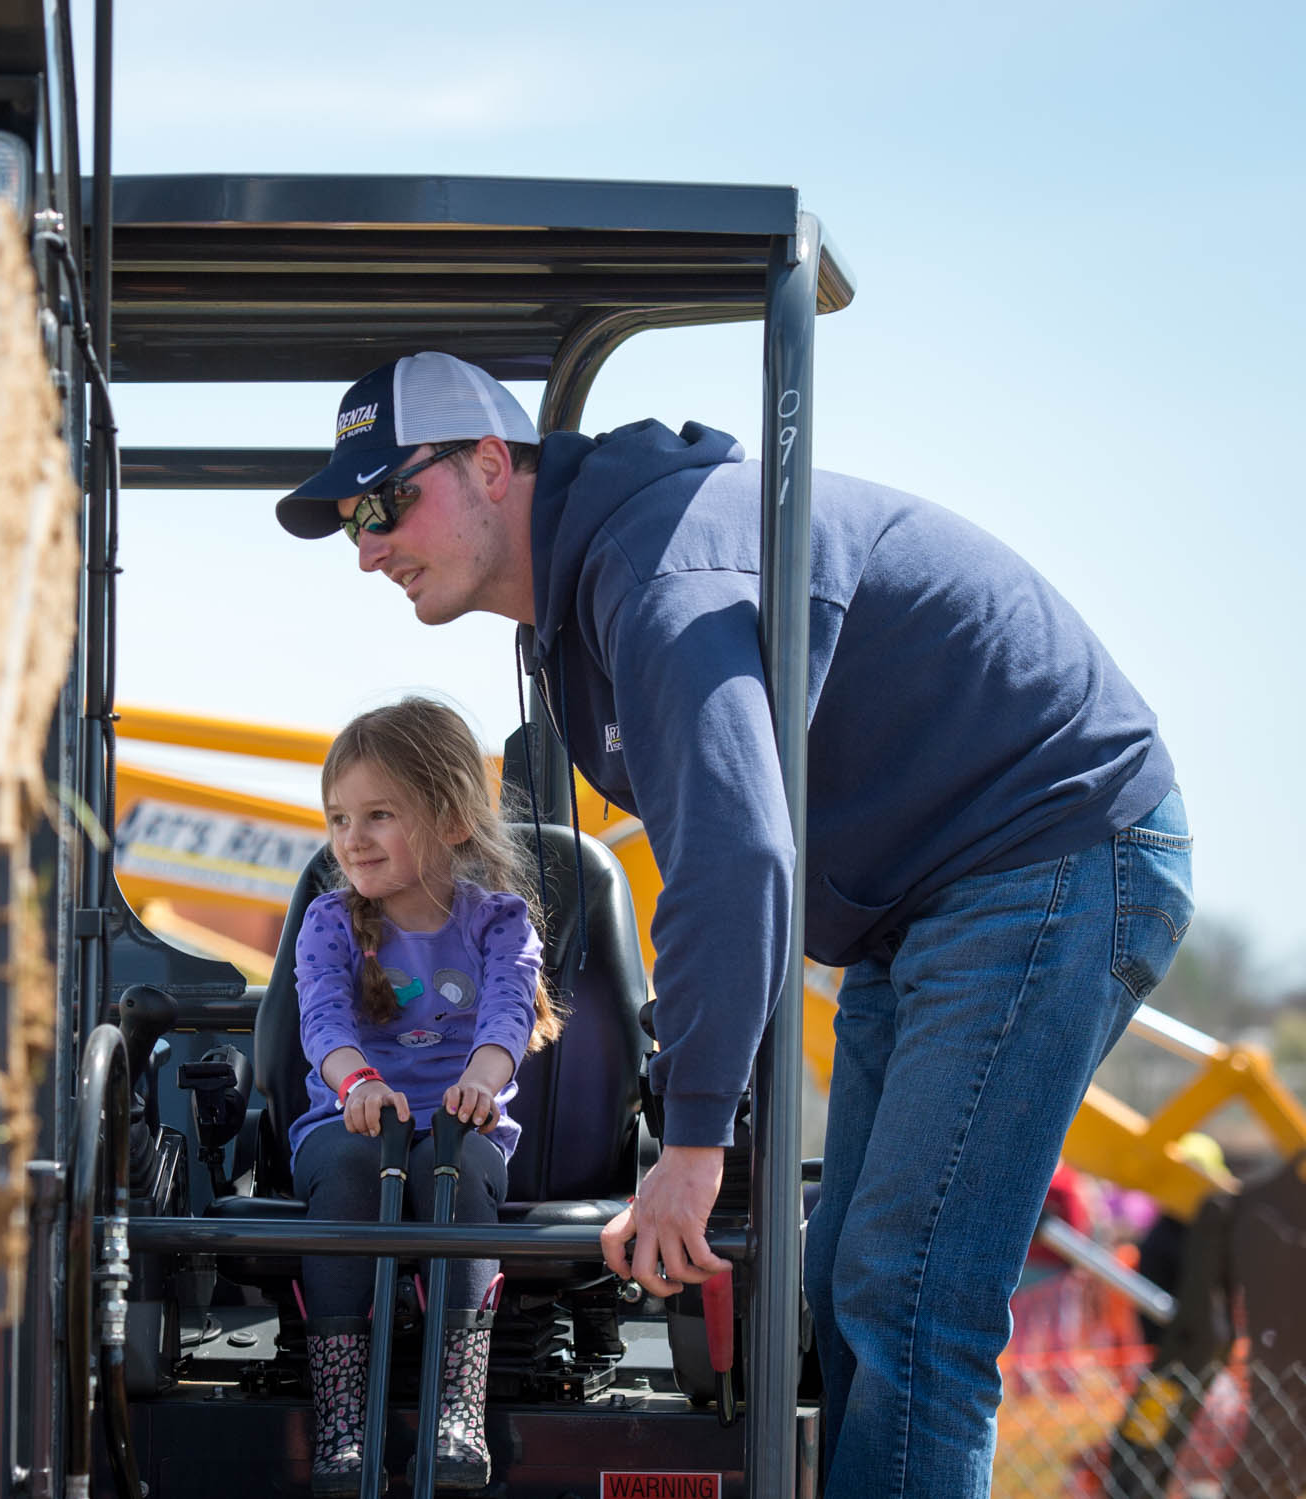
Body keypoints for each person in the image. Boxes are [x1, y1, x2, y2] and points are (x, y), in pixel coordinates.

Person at [273, 350, 1194, 1499]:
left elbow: (735, 852)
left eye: (383, 501)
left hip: (1046, 854)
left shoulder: (659, 575)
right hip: (925, 902)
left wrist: (695, 1140)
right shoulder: (586, 601)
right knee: (847, 1291)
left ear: (492, 465)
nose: (365, 544)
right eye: (350, 518)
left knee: (909, 1297)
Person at [289, 696, 561, 1494]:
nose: (351, 838)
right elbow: (324, 1017)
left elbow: (512, 1008)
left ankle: (455, 1406)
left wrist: (483, 1077)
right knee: (347, 1165)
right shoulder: (329, 922)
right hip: (348, 1118)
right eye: (339, 817)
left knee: (458, 1166)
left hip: (456, 1120)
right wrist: (358, 1082)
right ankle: (342, 1418)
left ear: (450, 820)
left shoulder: (500, 921)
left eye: (378, 814)